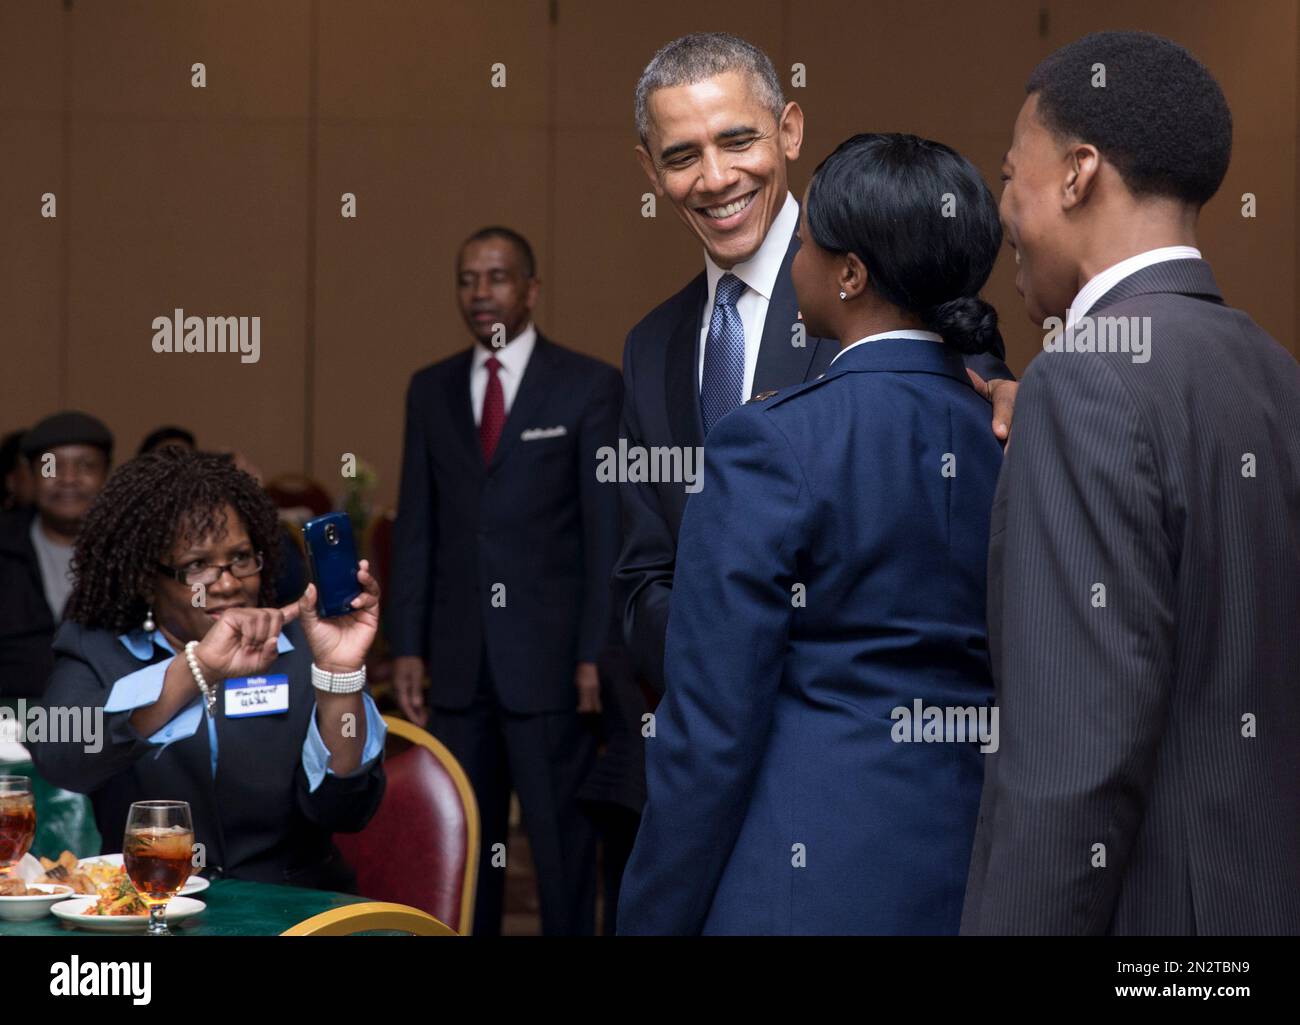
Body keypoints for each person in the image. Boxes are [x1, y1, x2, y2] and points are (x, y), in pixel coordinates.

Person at [618, 132, 1006, 934]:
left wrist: (652, 913)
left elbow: (711, 730)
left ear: (850, 275)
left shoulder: (771, 442)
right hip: (977, 860)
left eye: (803, 242)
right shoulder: (1008, 430)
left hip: (806, 872)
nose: (793, 259)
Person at [961, 31, 1300, 935]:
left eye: (1009, 175)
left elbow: (1073, 761)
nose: (1003, 210)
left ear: (1077, 174)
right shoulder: (1277, 372)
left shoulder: (1081, 379)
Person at [616, 32, 1019, 694]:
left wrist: (1015, 393)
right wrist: (721, 694)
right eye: (682, 155)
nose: (715, 178)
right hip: (706, 743)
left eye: (738, 140)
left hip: (856, 736)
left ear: (790, 131)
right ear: (650, 171)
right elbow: (643, 580)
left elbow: (977, 424)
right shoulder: (650, 344)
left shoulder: (890, 292)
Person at [388, 226, 622, 935]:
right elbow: (417, 528)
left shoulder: (588, 386)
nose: (479, 293)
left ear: (530, 289)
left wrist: (595, 653)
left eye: (495, 277)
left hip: (553, 667)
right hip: (458, 669)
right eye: (467, 279)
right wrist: (407, 644)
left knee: (560, 852)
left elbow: (605, 531)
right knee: (465, 856)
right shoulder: (429, 389)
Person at [29, 447, 386, 890]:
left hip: (292, 913)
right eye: (197, 565)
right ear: (145, 577)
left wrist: (337, 677)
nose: (228, 582)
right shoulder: (98, 649)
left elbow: (346, 812)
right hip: (148, 911)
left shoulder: (304, 650)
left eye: (241, 557)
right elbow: (60, 759)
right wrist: (196, 669)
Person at [0, 412, 113, 698]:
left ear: (106, 474)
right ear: (31, 473)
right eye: (52, 466)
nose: (68, 479)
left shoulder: (128, 554)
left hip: (104, 722)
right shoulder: (5, 544)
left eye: (86, 466)